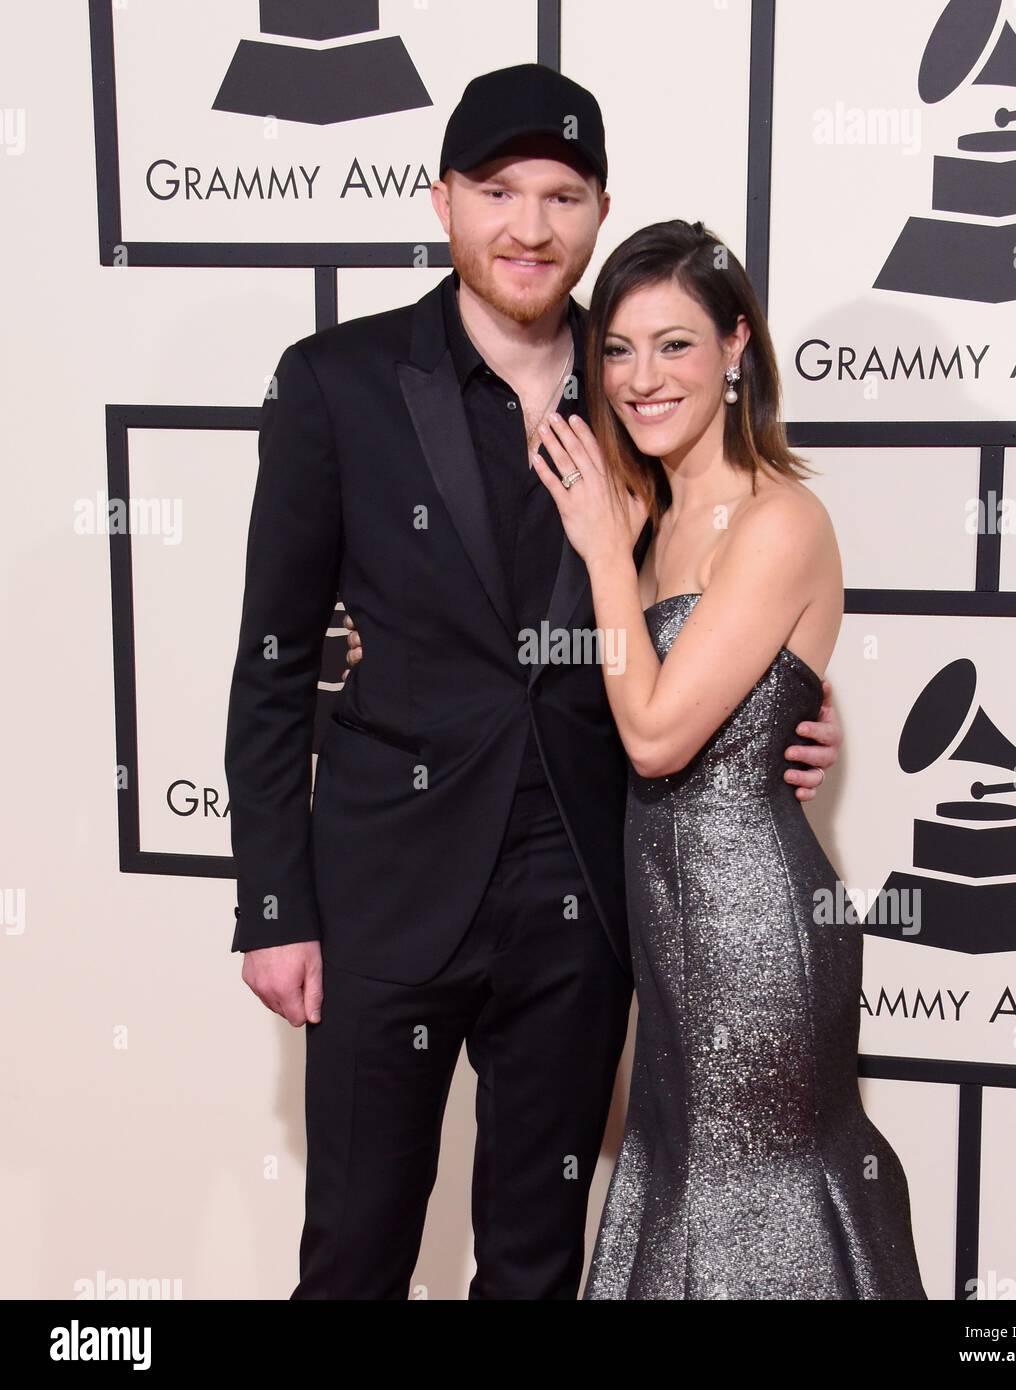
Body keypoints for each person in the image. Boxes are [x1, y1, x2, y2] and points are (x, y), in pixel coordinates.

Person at [225, 63, 841, 1301]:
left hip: (583, 889)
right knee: (353, 1252)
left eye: (561, 196)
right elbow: (275, 659)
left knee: (533, 1263)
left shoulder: (639, 393)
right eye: (498, 191)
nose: (528, 227)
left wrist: (794, 711)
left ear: (599, 211)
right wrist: (273, 901)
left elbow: (713, 600)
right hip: (382, 893)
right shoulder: (335, 382)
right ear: (443, 198)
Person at [524, 219, 928, 1299]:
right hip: (663, 926)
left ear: (737, 346)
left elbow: (656, 735)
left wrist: (605, 555)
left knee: (758, 1201)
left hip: (755, 933)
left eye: (675, 345)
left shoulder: (778, 519)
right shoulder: (649, 518)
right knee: (684, 1188)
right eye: (616, 349)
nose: (641, 378)